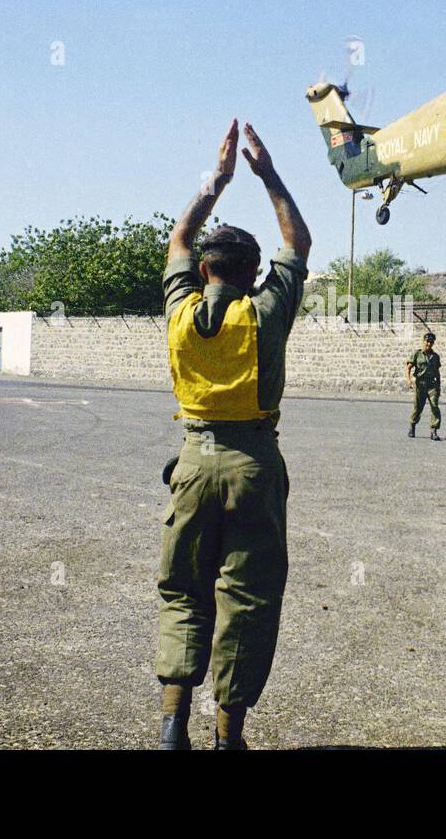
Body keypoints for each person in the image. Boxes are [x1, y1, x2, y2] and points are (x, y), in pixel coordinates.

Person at [156, 119, 311, 751]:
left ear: (204, 271)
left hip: (193, 464)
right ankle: (228, 737)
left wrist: (215, 181)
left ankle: (172, 726)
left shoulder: (180, 311)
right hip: (254, 466)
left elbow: (179, 237)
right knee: (245, 598)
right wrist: (266, 174)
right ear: (251, 275)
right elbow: (297, 241)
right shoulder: (267, 313)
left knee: (183, 590)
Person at [406, 332, 441, 440]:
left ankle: (433, 431)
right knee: (418, 408)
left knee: (434, 406)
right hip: (420, 384)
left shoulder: (435, 357)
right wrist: (409, 380)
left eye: (431, 342)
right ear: (423, 341)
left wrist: (438, 385)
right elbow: (408, 367)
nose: (429, 344)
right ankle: (412, 425)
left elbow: (437, 371)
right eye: (427, 341)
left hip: (432, 385)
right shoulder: (417, 354)